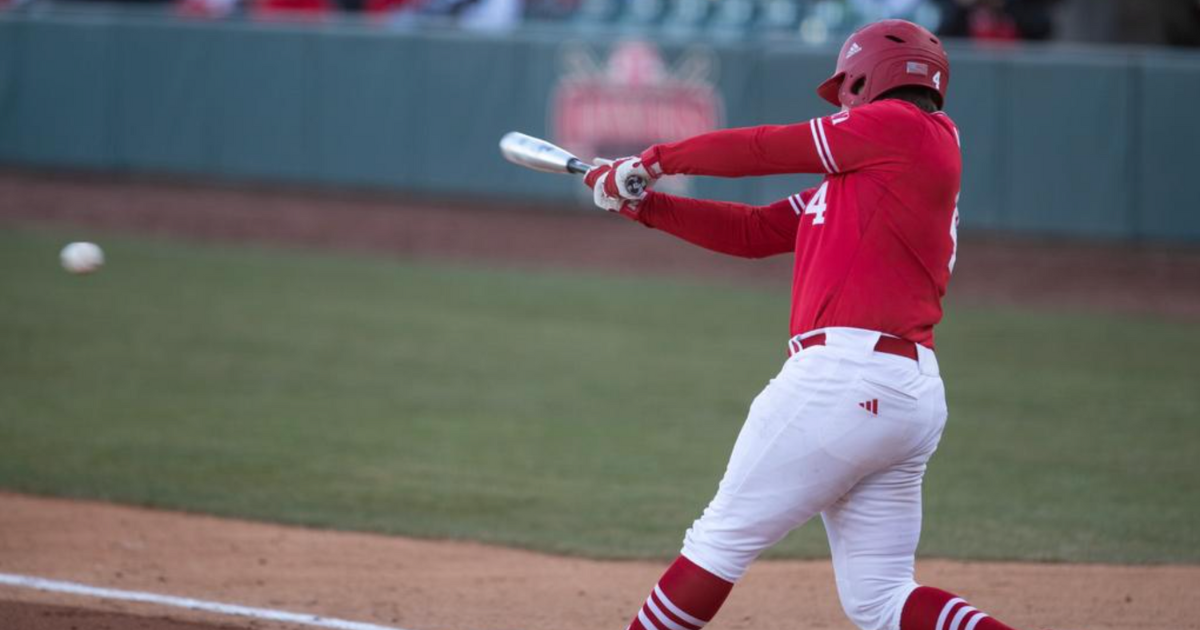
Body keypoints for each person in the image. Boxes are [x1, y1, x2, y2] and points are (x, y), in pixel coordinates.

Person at [583, 19, 1040, 630]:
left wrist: (655, 159)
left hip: (843, 379)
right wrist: (644, 204)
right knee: (881, 599)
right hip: (903, 392)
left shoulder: (900, 126)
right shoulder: (874, 175)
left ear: (865, 77)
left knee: (716, 541)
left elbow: (764, 148)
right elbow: (754, 232)